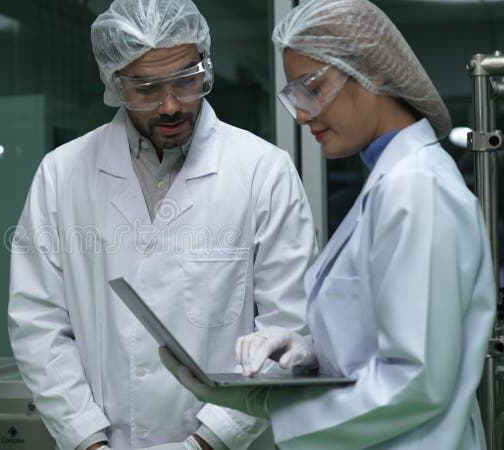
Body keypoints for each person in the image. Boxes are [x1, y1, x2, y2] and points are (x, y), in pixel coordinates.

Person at [159, 1, 497, 449]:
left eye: (312, 88)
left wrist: (269, 406)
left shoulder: (417, 190)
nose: (300, 114)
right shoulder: (390, 184)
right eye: (294, 95)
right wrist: (308, 350)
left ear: (374, 73)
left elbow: (414, 383)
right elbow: (387, 336)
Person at [7, 0, 319, 449]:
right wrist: (86, 439)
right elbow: (38, 322)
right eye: (147, 88)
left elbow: (287, 326)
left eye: (186, 80)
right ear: (115, 84)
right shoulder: (62, 174)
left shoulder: (263, 171)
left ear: (204, 67)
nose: (171, 105)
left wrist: (208, 442)